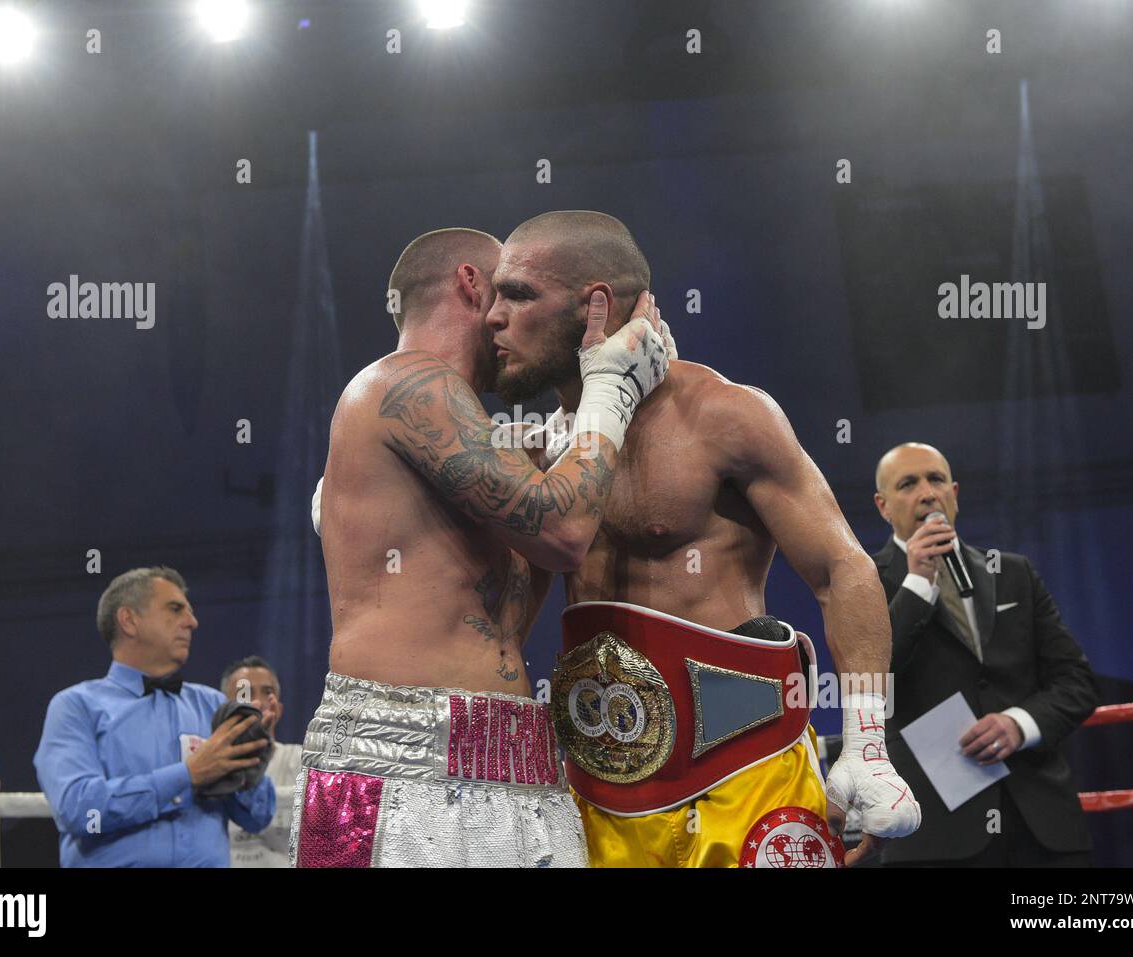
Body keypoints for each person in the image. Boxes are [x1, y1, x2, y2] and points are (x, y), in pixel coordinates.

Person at [484, 210, 920, 868]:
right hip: (599, 786)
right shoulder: (546, 447)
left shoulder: (724, 416)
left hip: (742, 773)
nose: (493, 315)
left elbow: (840, 568)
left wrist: (866, 744)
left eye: (517, 293)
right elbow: (502, 623)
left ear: (594, 303)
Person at [294, 227, 670, 867]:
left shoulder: (474, 429)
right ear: (471, 284)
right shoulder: (407, 384)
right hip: (399, 758)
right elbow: (563, 531)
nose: (506, 322)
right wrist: (610, 389)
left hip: (514, 751)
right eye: (505, 297)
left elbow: (510, 613)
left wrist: (564, 438)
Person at [870, 442, 1098, 866]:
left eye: (936, 480)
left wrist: (1019, 723)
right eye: (908, 484)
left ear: (954, 493)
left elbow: (1077, 681)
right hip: (937, 832)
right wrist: (918, 584)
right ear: (883, 506)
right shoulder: (863, 583)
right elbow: (869, 683)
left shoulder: (1013, 573)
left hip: (1041, 824)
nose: (926, 493)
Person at [34, 567, 274, 867]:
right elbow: (79, 809)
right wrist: (188, 776)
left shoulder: (213, 705)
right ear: (129, 620)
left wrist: (253, 761)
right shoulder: (76, 706)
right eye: (175, 609)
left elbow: (257, 819)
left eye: (189, 611)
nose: (192, 622)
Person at [221, 656, 302, 867]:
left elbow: (321, 812)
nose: (256, 702)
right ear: (223, 709)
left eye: (267, 692)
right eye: (244, 693)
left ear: (279, 709)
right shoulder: (209, 765)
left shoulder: (300, 759)